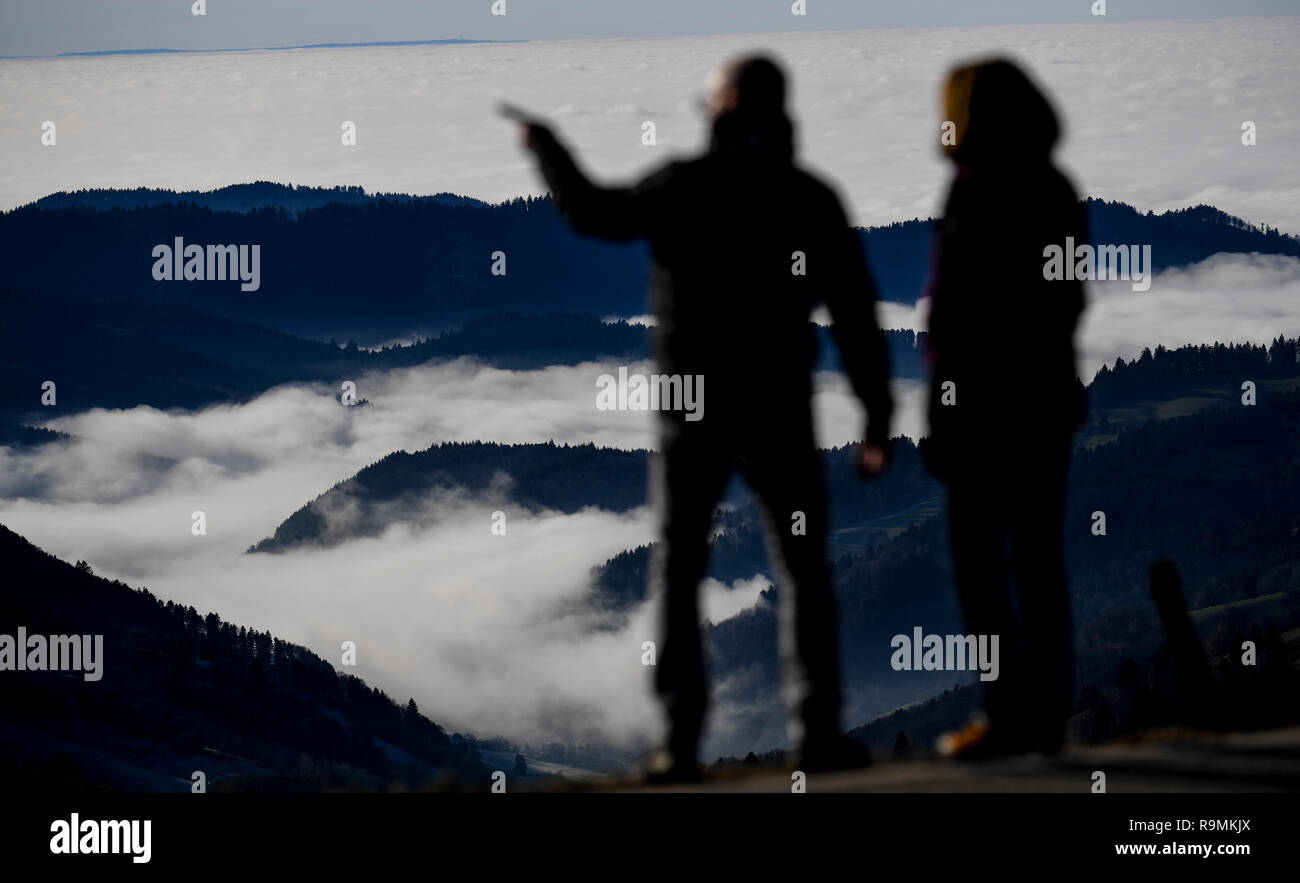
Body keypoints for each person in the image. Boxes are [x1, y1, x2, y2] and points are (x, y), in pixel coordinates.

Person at [507, 55, 893, 779]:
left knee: (681, 567)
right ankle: (817, 733)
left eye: (711, 101)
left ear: (730, 106)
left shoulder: (685, 185)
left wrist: (549, 150)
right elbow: (855, 311)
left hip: (693, 410)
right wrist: (875, 414)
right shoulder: (808, 196)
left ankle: (680, 742)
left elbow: (595, 211)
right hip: (779, 404)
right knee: (804, 568)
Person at [922, 58, 1087, 758]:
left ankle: (1008, 712)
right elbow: (1067, 297)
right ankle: (1038, 717)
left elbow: (957, 315)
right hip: (1042, 403)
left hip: (987, 410)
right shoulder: (1054, 189)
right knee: (1038, 561)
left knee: (982, 570)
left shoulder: (974, 193)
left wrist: (949, 403)